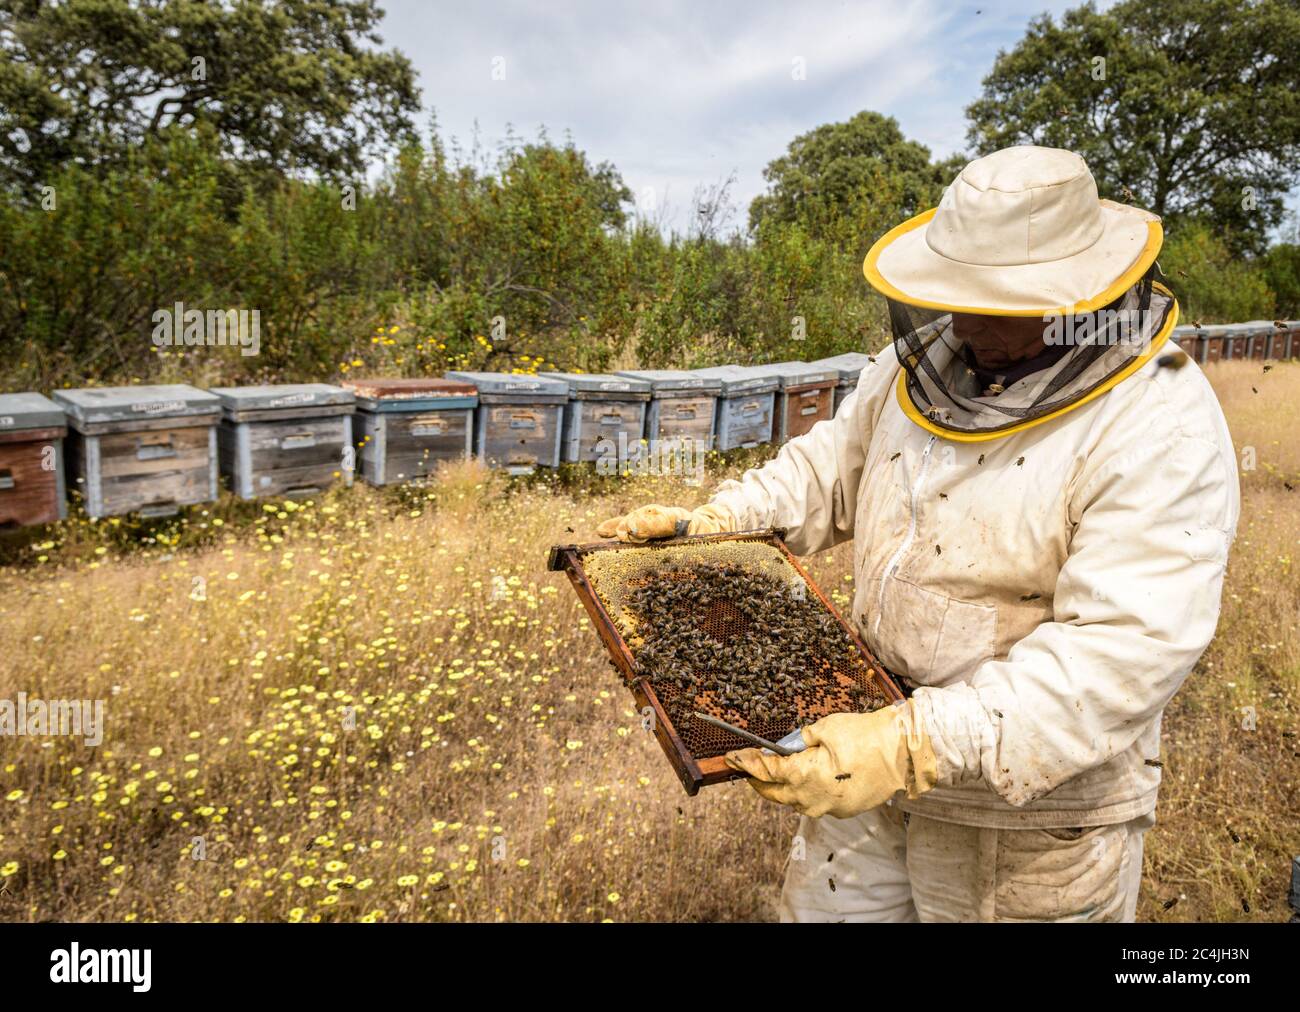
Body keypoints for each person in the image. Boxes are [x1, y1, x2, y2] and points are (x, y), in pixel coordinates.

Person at [595, 145, 1240, 922]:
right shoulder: (926, 362)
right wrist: (720, 522)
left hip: (1028, 821)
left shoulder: (1158, 421)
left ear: (1077, 296)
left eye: (995, 302)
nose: (964, 319)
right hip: (862, 759)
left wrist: (910, 745)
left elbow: (1119, 653)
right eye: (957, 294)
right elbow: (830, 468)